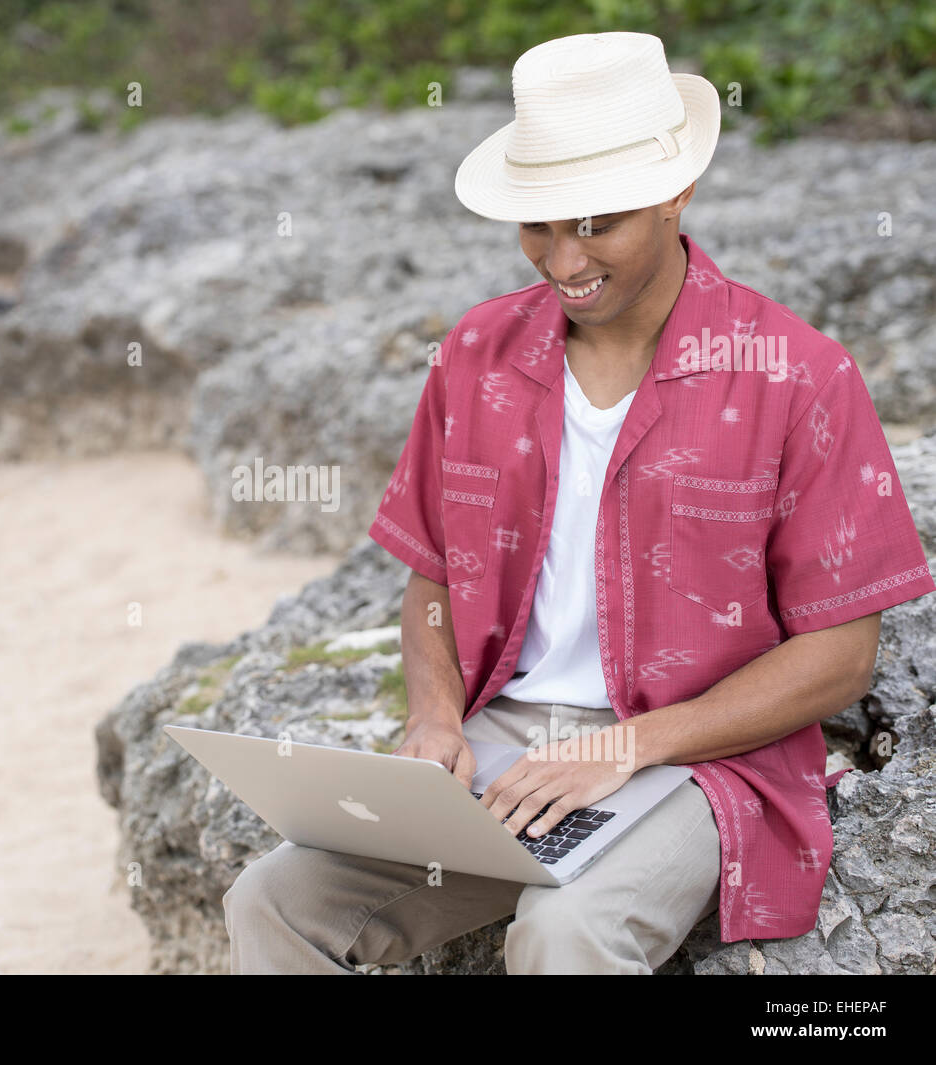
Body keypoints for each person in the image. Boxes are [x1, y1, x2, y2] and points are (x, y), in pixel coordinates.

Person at [220, 31, 934, 974]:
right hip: (504, 747)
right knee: (271, 899)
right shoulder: (473, 355)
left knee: (569, 931)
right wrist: (435, 718)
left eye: (595, 222)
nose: (563, 260)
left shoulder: (799, 376)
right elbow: (431, 574)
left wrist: (627, 746)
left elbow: (842, 657)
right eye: (539, 225)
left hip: (700, 754)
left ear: (677, 191)